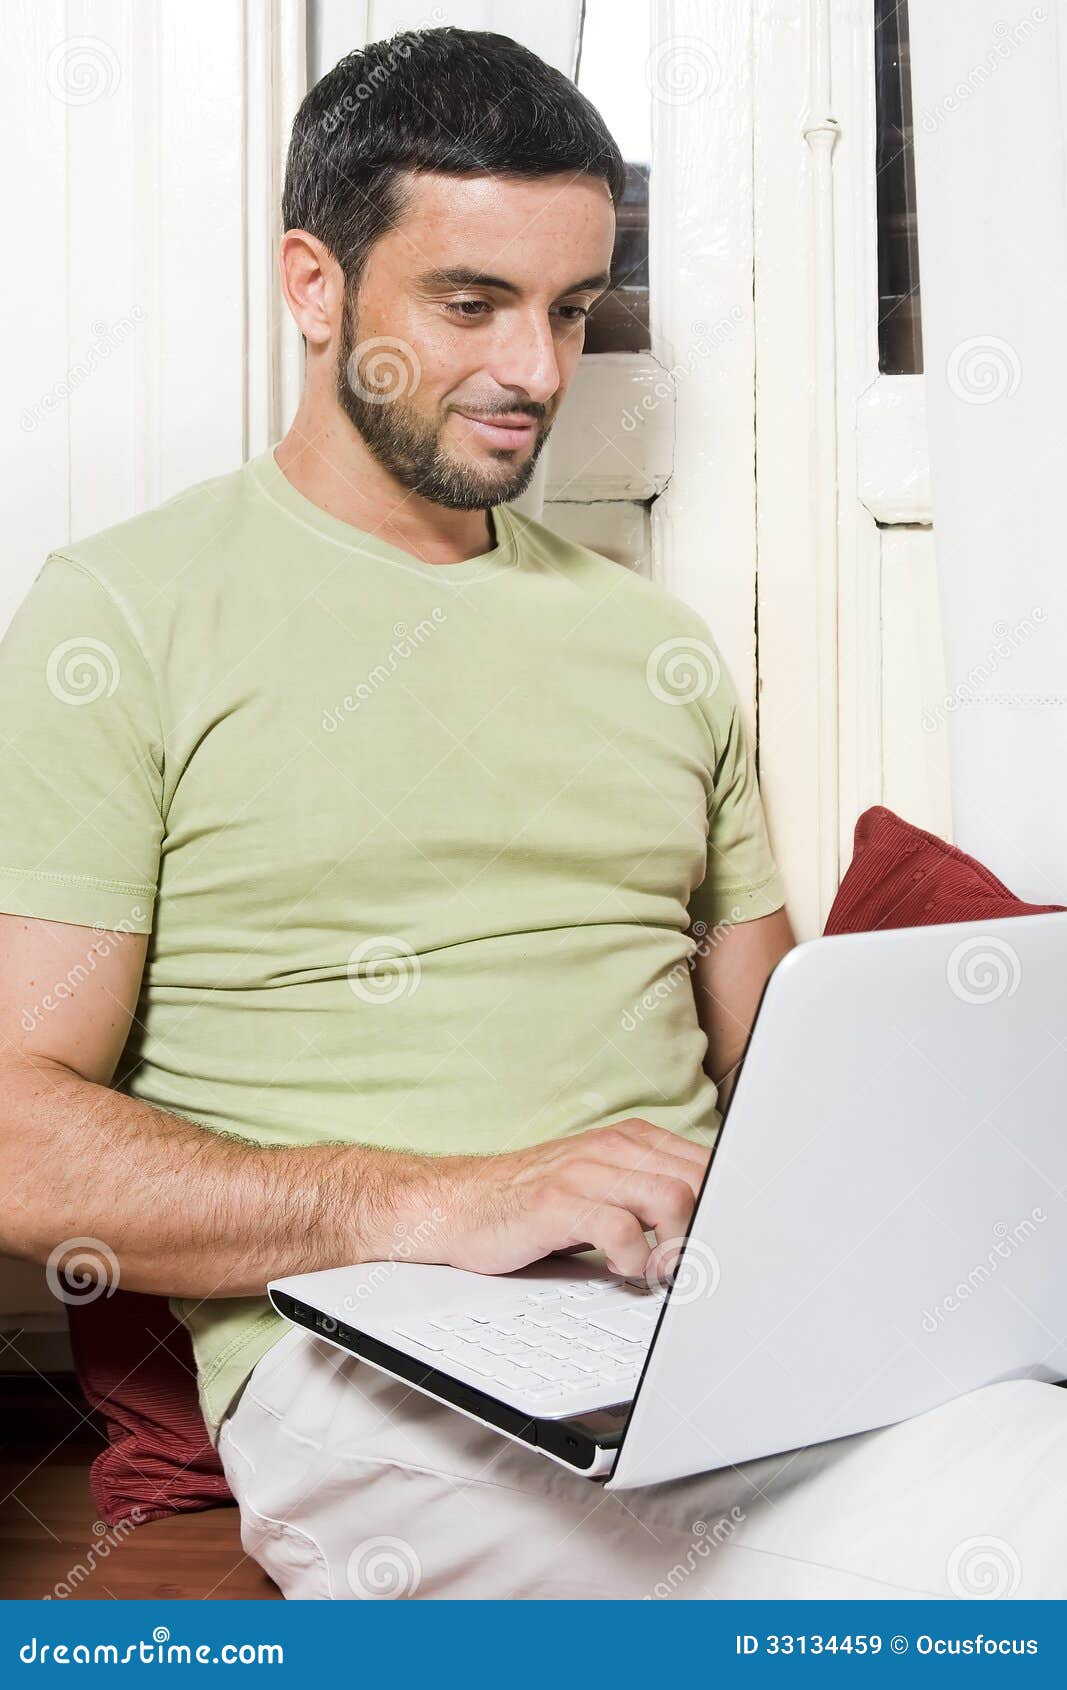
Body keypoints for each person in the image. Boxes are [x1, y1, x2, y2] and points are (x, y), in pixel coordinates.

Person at [2, 27, 1065, 1601]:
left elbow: (784, 1057)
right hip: (371, 1372)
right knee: (963, 1579)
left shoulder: (654, 648)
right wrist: (439, 1201)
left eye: (572, 310)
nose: (538, 373)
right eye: (472, 303)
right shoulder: (124, 619)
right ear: (315, 286)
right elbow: (20, 1135)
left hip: (696, 1323)